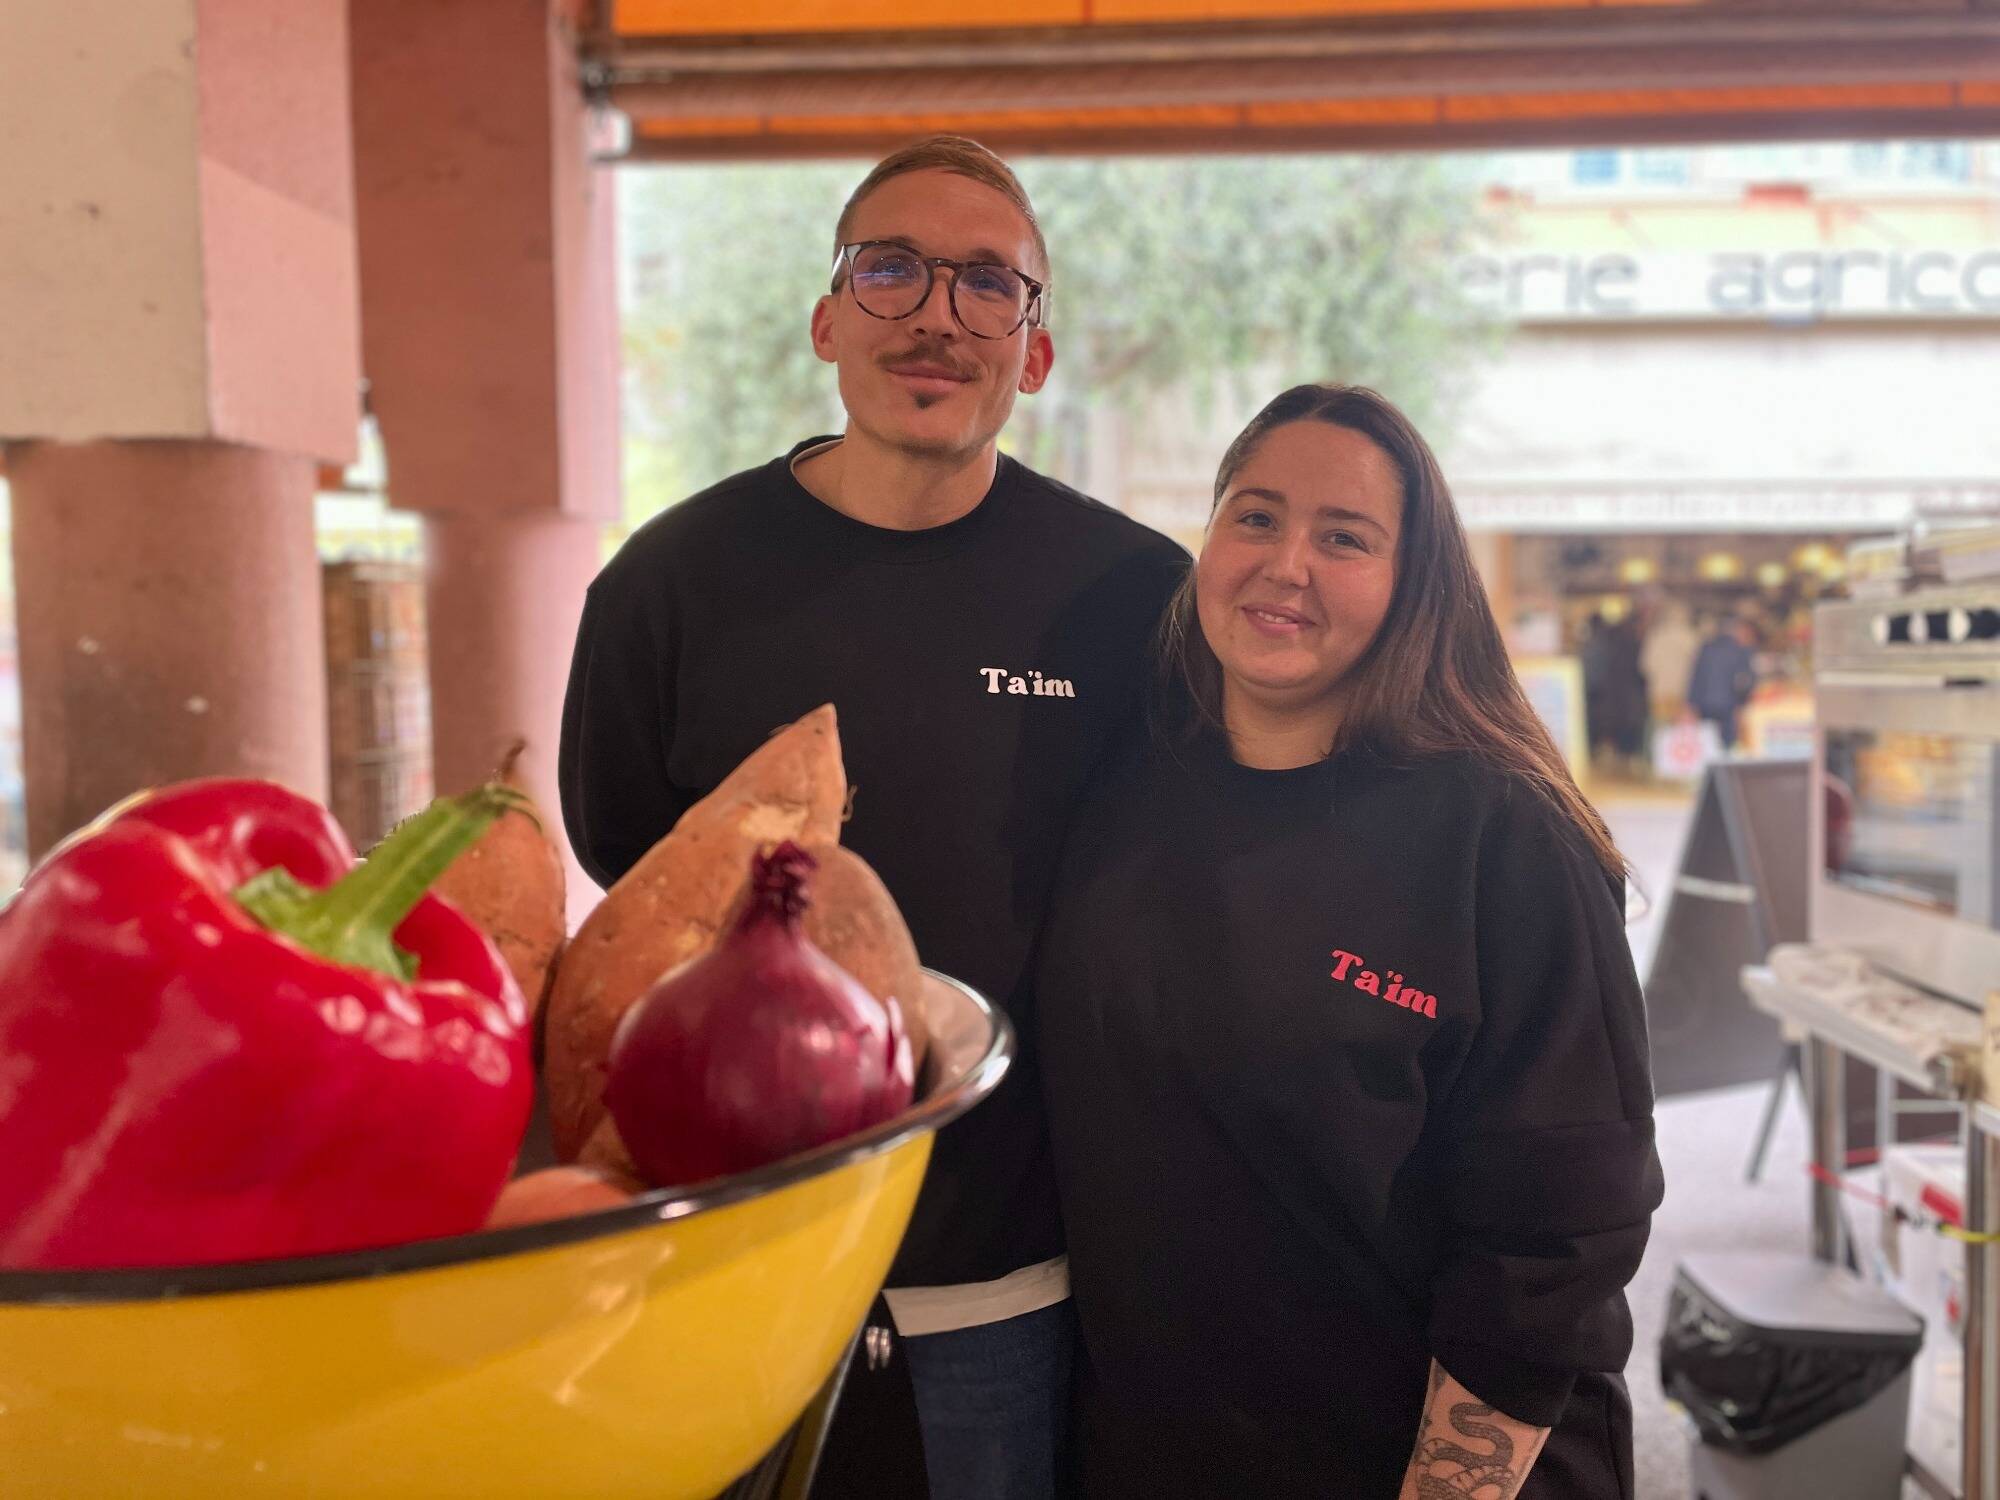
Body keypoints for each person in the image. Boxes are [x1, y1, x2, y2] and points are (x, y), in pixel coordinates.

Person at [558, 137, 1185, 1497]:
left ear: (1035, 352)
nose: (935, 316)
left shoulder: (1133, 597)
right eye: (891, 268)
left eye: (985, 285)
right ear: (829, 320)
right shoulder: (668, 587)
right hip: (734, 1254)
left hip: (1009, 1271)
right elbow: (625, 869)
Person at [1036, 385, 1664, 1497]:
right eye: (1255, 517)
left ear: (1409, 582)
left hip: (1426, 1466)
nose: (1286, 565)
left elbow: (1557, 1235)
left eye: (1343, 538)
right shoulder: (1126, 786)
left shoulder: (1506, 836)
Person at [1688, 613, 1759, 750]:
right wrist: (1743, 702)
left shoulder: (1706, 648)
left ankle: (1711, 770)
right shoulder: (1741, 651)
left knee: (1708, 743)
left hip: (1705, 705)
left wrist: (1692, 703)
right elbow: (1744, 682)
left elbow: (1696, 677)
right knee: (1728, 746)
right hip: (1729, 706)